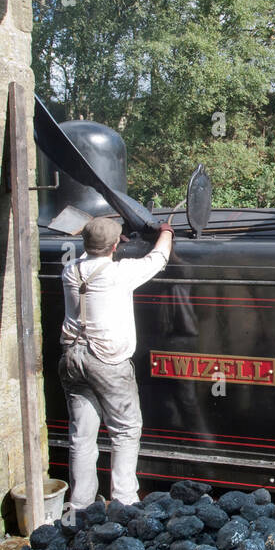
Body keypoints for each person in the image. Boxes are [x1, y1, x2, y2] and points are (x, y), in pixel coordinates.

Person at [59, 216, 174, 508]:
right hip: (107, 361)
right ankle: (124, 499)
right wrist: (167, 231)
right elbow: (158, 258)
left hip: (73, 357)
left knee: (81, 435)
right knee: (125, 429)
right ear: (115, 245)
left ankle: (80, 504)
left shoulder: (70, 271)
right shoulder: (119, 274)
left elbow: (94, 257)